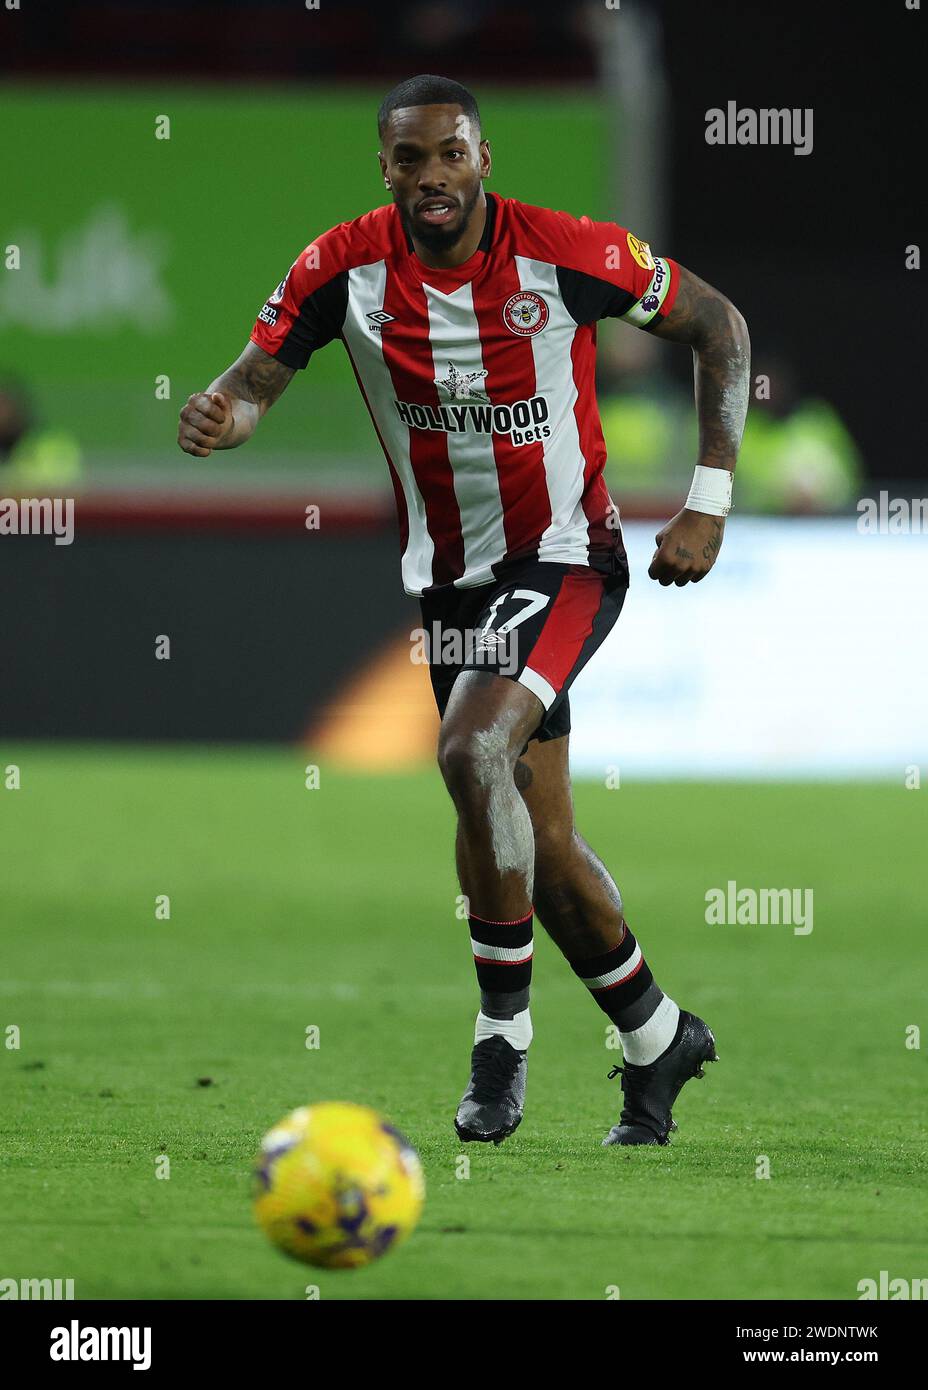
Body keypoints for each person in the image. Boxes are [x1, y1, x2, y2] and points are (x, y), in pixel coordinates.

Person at [178, 74, 750, 1147]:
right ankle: (656, 1033)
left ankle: (500, 1043)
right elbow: (254, 383)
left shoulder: (568, 253)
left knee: (470, 748)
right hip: (448, 580)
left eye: (451, 153)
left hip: (567, 557)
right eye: (410, 159)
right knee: (539, 843)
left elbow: (718, 323)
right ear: (384, 169)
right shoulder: (339, 267)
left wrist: (707, 502)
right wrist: (224, 414)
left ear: (484, 157)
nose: (432, 175)